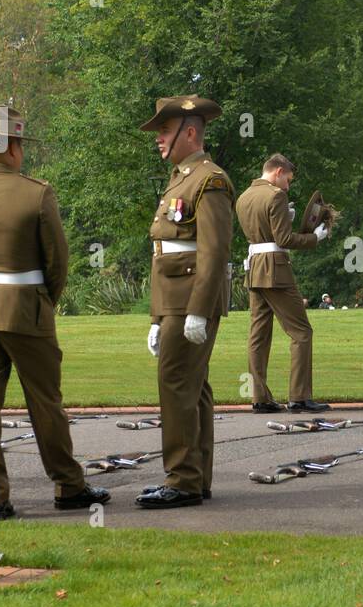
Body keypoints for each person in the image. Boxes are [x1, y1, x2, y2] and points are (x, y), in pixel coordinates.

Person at [0, 105, 109, 519]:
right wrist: (43, 299)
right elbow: (58, 263)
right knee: (46, 402)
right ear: (13, 146)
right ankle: (68, 484)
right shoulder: (37, 193)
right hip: (26, 309)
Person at [135, 95, 234, 509]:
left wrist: (198, 309)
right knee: (194, 389)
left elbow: (213, 252)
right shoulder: (181, 178)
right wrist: (159, 316)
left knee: (175, 385)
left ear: (189, 132)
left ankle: (182, 479)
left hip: (190, 301)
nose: (158, 139)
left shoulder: (209, 180)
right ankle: (197, 476)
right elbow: (165, 254)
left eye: (164, 130)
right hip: (175, 302)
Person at [235, 153, 331, 414]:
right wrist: (316, 238)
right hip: (275, 269)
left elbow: (265, 233)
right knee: (301, 332)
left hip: (254, 268)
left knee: (258, 336)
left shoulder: (244, 197)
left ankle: (260, 398)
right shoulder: (276, 196)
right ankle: (299, 396)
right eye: (287, 179)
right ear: (277, 172)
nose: (288, 186)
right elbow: (284, 239)